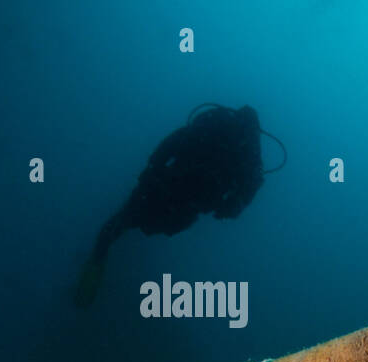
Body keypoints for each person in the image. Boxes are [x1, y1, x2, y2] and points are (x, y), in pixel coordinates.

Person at [74, 104, 268, 307]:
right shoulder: (248, 150)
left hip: (164, 187)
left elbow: (172, 142)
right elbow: (249, 188)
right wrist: (230, 207)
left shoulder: (215, 127)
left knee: (122, 223)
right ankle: (106, 268)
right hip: (184, 204)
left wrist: (151, 169)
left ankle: (96, 265)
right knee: (142, 224)